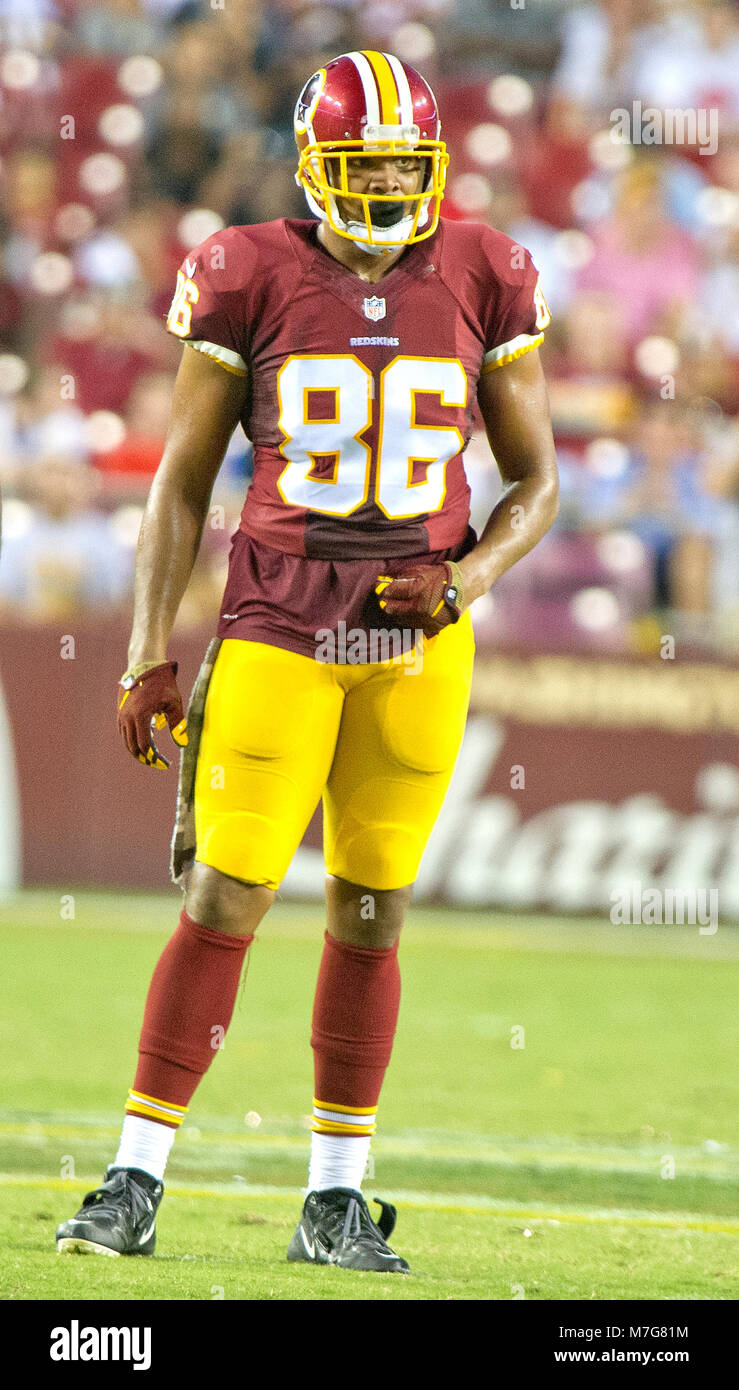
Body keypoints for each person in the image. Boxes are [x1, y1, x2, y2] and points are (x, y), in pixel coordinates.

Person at [56, 49, 558, 1273]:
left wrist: (467, 577)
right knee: (227, 892)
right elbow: (178, 486)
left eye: (404, 163)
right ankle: (133, 1178)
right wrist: (143, 657)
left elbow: (536, 483)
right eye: (365, 162)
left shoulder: (485, 267)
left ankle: (335, 1198)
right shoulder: (248, 267)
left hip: (414, 638)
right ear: (315, 166)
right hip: (281, 615)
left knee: (374, 910)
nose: (386, 183)